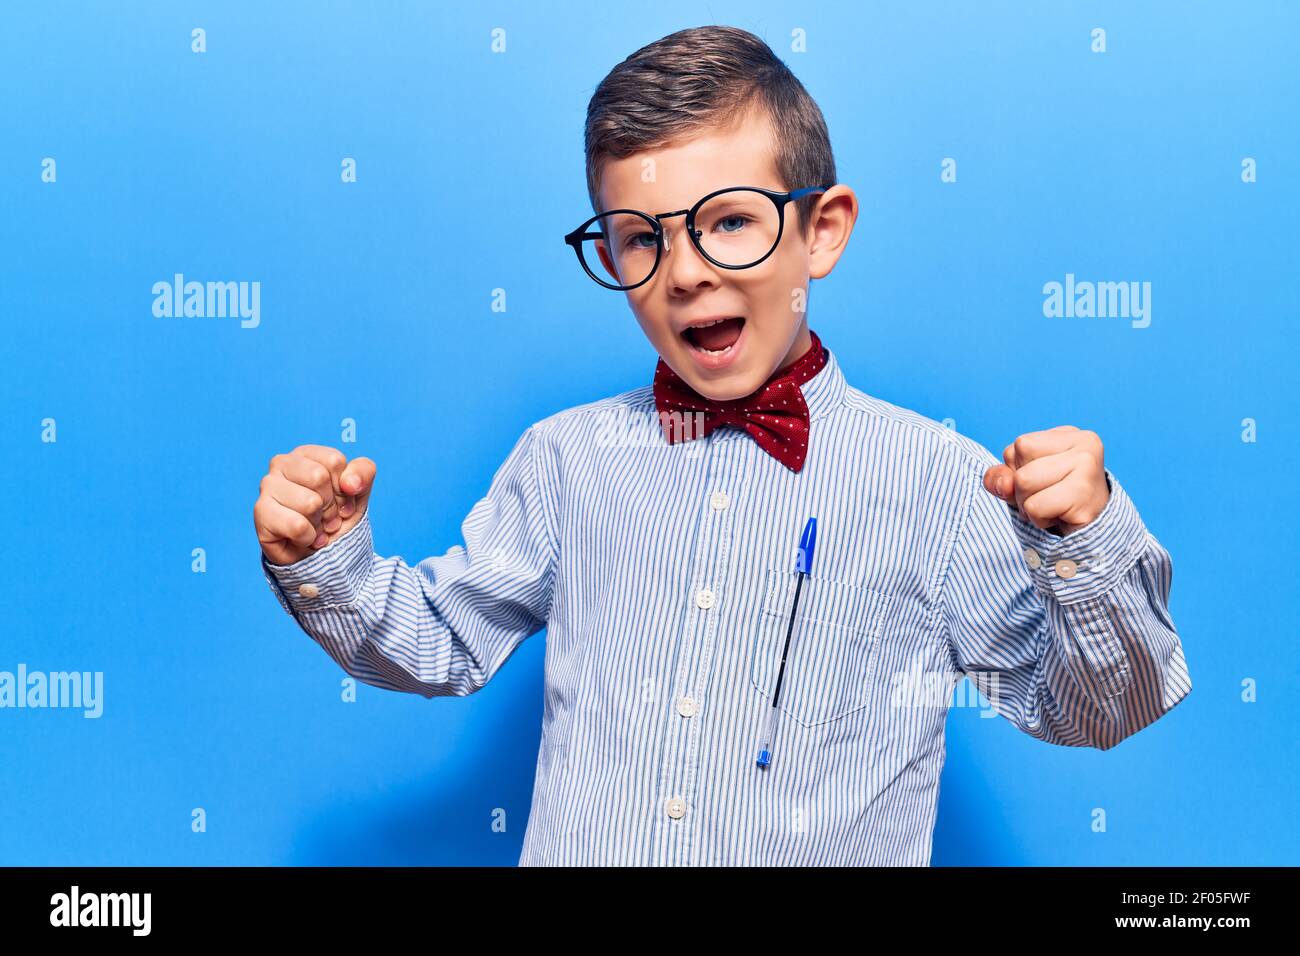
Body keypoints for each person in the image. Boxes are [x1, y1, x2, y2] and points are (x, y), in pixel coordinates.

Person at [252, 25, 1191, 866]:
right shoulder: (565, 460)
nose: (688, 274)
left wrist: (1088, 542)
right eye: (639, 240)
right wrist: (327, 561)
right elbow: (445, 644)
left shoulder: (940, 483)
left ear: (821, 231)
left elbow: (1101, 707)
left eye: (730, 222)